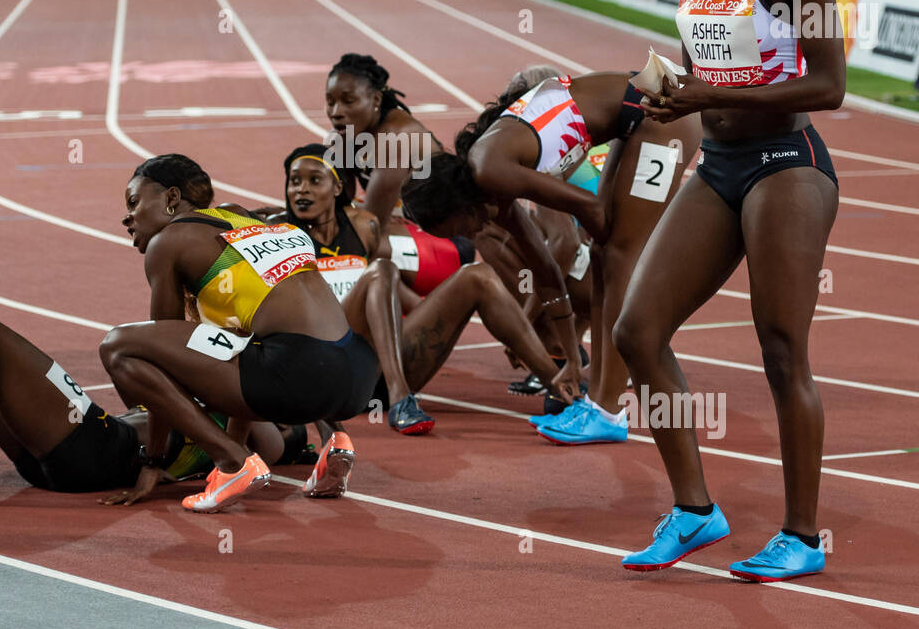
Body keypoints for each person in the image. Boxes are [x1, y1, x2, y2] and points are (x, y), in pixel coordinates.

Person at [612, 0, 844, 582]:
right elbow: (696, 77)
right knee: (637, 332)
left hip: (786, 163)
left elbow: (829, 85)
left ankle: (802, 536)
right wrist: (673, 99)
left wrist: (715, 90)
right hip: (718, 164)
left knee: (781, 349)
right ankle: (694, 511)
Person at [400, 66, 699, 446]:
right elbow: (545, 273)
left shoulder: (492, 171)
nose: (471, 236)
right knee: (606, 255)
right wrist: (571, 359)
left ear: (458, 205)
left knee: (620, 256)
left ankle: (608, 411)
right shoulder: (492, 190)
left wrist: (616, 253)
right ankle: (600, 403)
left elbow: (592, 211)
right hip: (637, 112)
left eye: (460, 229)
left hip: (661, 111)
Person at [95, 154, 379, 512]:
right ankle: (335, 440)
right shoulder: (238, 215)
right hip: (358, 374)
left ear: (170, 199)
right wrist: (232, 449)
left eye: (134, 202)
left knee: (118, 347)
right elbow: (242, 344)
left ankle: (234, 464)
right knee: (260, 344)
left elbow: (161, 358)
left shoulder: (167, 243)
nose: (126, 217)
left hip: (299, 374)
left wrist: (153, 462)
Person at [0, 316, 301, 506]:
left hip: (99, 449)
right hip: (66, 453)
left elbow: (271, 447)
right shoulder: (206, 390)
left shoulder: (250, 421)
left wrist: (264, 408)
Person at [275, 144, 576, 434]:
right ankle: (400, 397)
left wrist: (443, 317)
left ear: (338, 188)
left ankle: (564, 389)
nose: (302, 190)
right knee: (382, 269)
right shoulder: (281, 236)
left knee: (477, 275)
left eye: (315, 181)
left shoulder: (362, 227)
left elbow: (401, 302)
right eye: (295, 182)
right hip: (328, 369)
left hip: (378, 368)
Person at [324, 53, 474, 297]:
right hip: (409, 233)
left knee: (341, 246)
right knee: (329, 230)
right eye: (330, 102)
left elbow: (367, 229)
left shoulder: (395, 136)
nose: (336, 112)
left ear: (375, 99)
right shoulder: (350, 132)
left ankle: (420, 312)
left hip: (449, 248)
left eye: (348, 101)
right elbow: (339, 201)